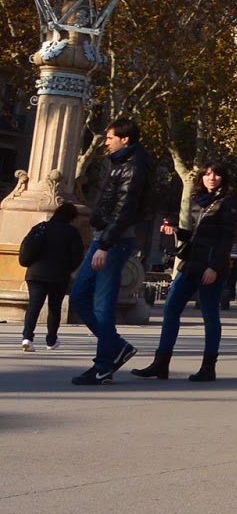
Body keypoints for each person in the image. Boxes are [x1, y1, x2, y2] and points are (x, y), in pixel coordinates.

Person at [133, 161, 237, 382]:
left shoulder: (227, 204)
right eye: (208, 174)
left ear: (223, 179)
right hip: (190, 264)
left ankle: (208, 367)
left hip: (209, 268)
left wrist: (214, 267)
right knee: (170, 309)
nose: (212, 178)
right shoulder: (198, 202)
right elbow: (196, 236)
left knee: (210, 316)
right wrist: (176, 231)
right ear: (201, 177)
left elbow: (226, 240)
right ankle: (161, 363)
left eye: (217, 174)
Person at [68, 118, 154, 386]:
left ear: (124, 139)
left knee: (102, 305)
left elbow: (124, 210)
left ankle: (104, 366)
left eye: (109, 138)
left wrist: (104, 245)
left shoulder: (134, 166)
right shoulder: (120, 162)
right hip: (104, 237)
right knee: (80, 295)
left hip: (113, 241)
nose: (105, 142)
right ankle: (117, 346)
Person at [18, 201, 84, 351]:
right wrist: (68, 268)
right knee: (55, 307)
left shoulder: (40, 227)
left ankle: (27, 337)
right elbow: (77, 256)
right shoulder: (71, 232)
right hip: (59, 276)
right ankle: (51, 340)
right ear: (71, 217)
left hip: (35, 274)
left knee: (34, 306)